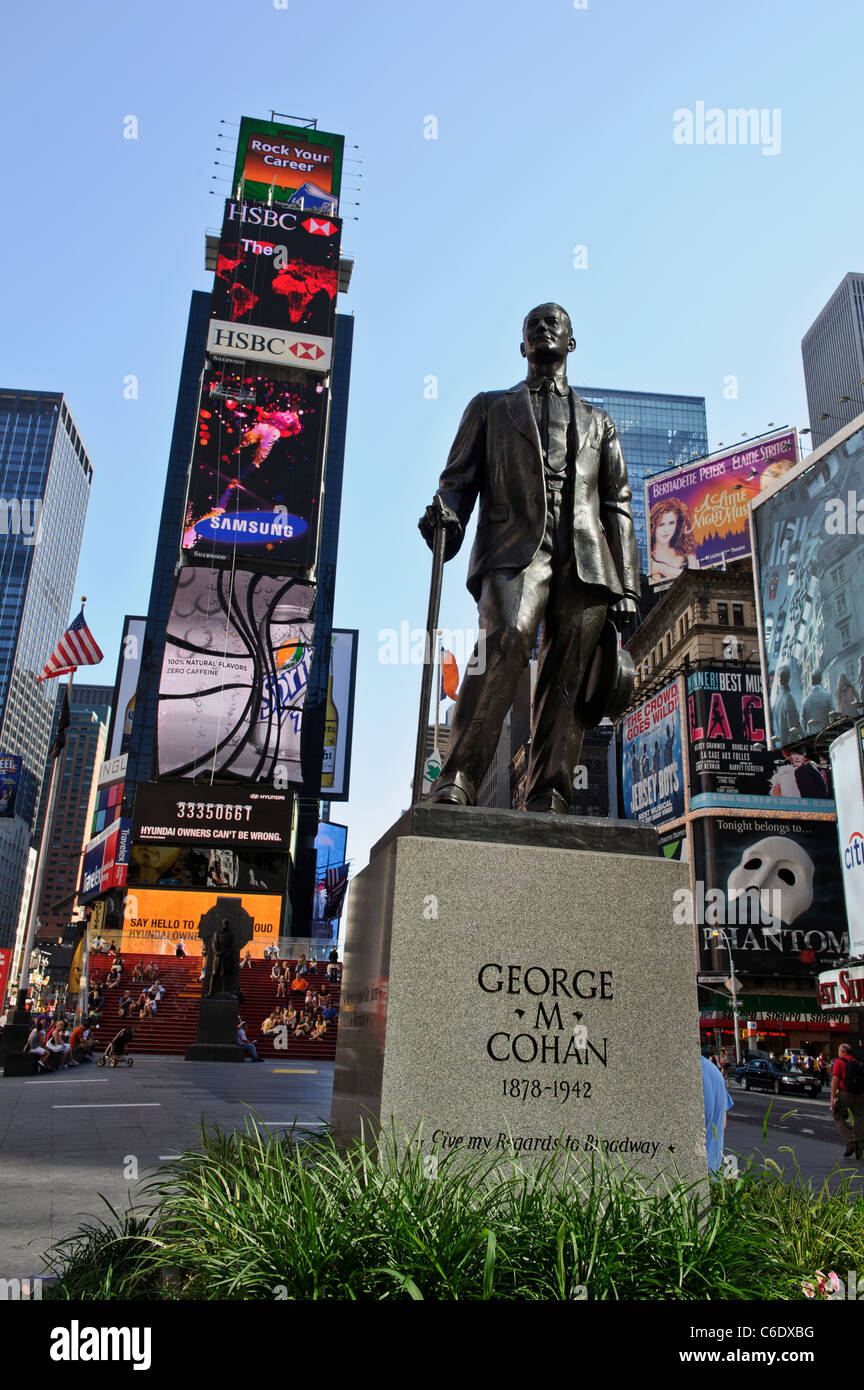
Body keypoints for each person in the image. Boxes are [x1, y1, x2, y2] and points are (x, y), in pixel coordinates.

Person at [419, 303, 638, 813]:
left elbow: (618, 504)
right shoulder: (490, 408)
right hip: (515, 548)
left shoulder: (599, 423)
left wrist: (627, 585)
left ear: (571, 343)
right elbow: (455, 484)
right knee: (509, 638)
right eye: (533, 325)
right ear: (522, 347)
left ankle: (549, 790)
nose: (543, 329)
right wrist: (444, 518)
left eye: (554, 323)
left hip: (585, 556)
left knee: (569, 670)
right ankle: (457, 778)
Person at [648, 498, 699, 583]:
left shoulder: (686, 552)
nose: (666, 530)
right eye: (661, 524)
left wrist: (660, 568)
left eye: (671, 523)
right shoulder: (648, 556)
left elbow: (695, 578)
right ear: (653, 526)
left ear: (678, 524)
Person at [701, 1054, 734, 1178]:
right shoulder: (714, 1071)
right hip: (713, 1174)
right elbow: (723, 1123)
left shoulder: (683, 1071)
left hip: (687, 1180)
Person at [830, 1043, 864, 1159]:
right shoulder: (858, 1062)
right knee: (859, 1121)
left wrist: (832, 1099)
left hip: (845, 1094)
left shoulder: (839, 1062)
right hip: (860, 1095)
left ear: (842, 1051)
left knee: (838, 1116)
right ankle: (860, 1151)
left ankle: (851, 1141)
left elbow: (835, 1080)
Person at [772, 666, 803, 746]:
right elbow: (794, 727)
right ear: (789, 678)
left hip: (784, 745)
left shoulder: (777, 702)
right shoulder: (788, 698)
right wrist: (805, 737)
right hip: (793, 746)